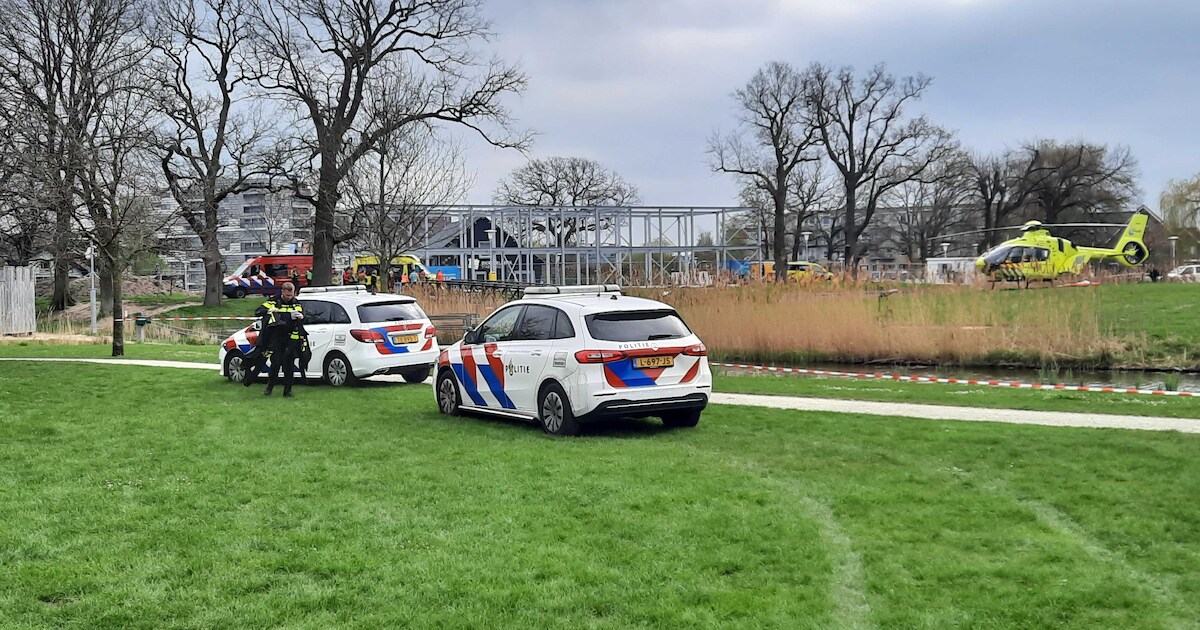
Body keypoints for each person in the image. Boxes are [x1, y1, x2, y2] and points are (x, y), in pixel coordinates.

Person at [260, 282, 308, 397]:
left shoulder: (296, 303)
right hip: (277, 338)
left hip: (291, 339)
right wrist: (271, 311)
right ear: (282, 292)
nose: (289, 298)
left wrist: (302, 317)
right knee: (275, 364)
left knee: (289, 365)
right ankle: (269, 388)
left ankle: (288, 391)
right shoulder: (274, 301)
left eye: (291, 295)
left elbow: (303, 317)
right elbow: (259, 310)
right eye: (287, 296)